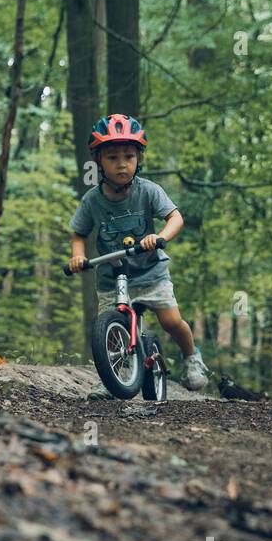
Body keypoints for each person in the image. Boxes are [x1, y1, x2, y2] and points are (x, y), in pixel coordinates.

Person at [67, 113, 210, 391]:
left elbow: (175, 218)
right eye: (112, 157)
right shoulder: (92, 201)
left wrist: (159, 236)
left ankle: (192, 357)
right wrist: (77, 255)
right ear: (98, 161)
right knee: (110, 329)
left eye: (129, 156)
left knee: (170, 321)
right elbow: (78, 233)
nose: (122, 164)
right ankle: (114, 379)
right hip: (111, 277)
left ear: (138, 159)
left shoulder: (148, 191)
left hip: (150, 272)